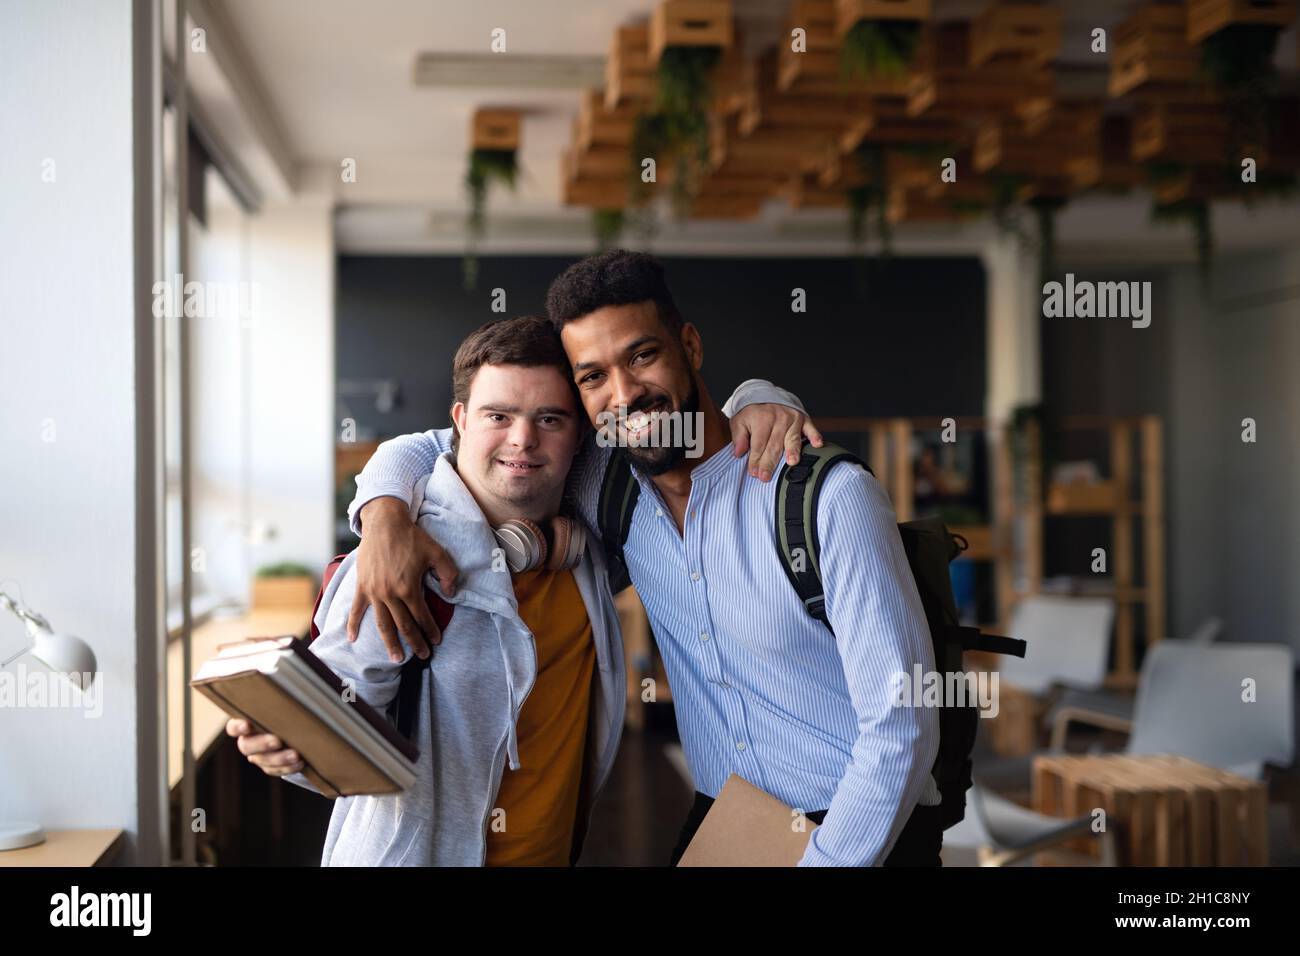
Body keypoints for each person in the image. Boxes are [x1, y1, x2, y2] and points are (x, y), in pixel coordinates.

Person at [350, 250, 941, 866]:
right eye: (593, 377)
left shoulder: (824, 496)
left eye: (642, 355)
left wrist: (826, 859)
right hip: (728, 821)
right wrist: (385, 514)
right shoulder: (608, 485)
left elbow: (903, 719)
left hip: (865, 825)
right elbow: (452, 439)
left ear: (689, 345)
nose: (624, 394)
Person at [228, 313, 816, 866]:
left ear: (580, 435)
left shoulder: (588, 548)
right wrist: (295, 749)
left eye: (550, 419)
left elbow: (699, 428)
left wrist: (761, 399)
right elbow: (337, 721)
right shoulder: (398, 563)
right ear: (460, 421)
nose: (523, 440)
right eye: (498, 416)